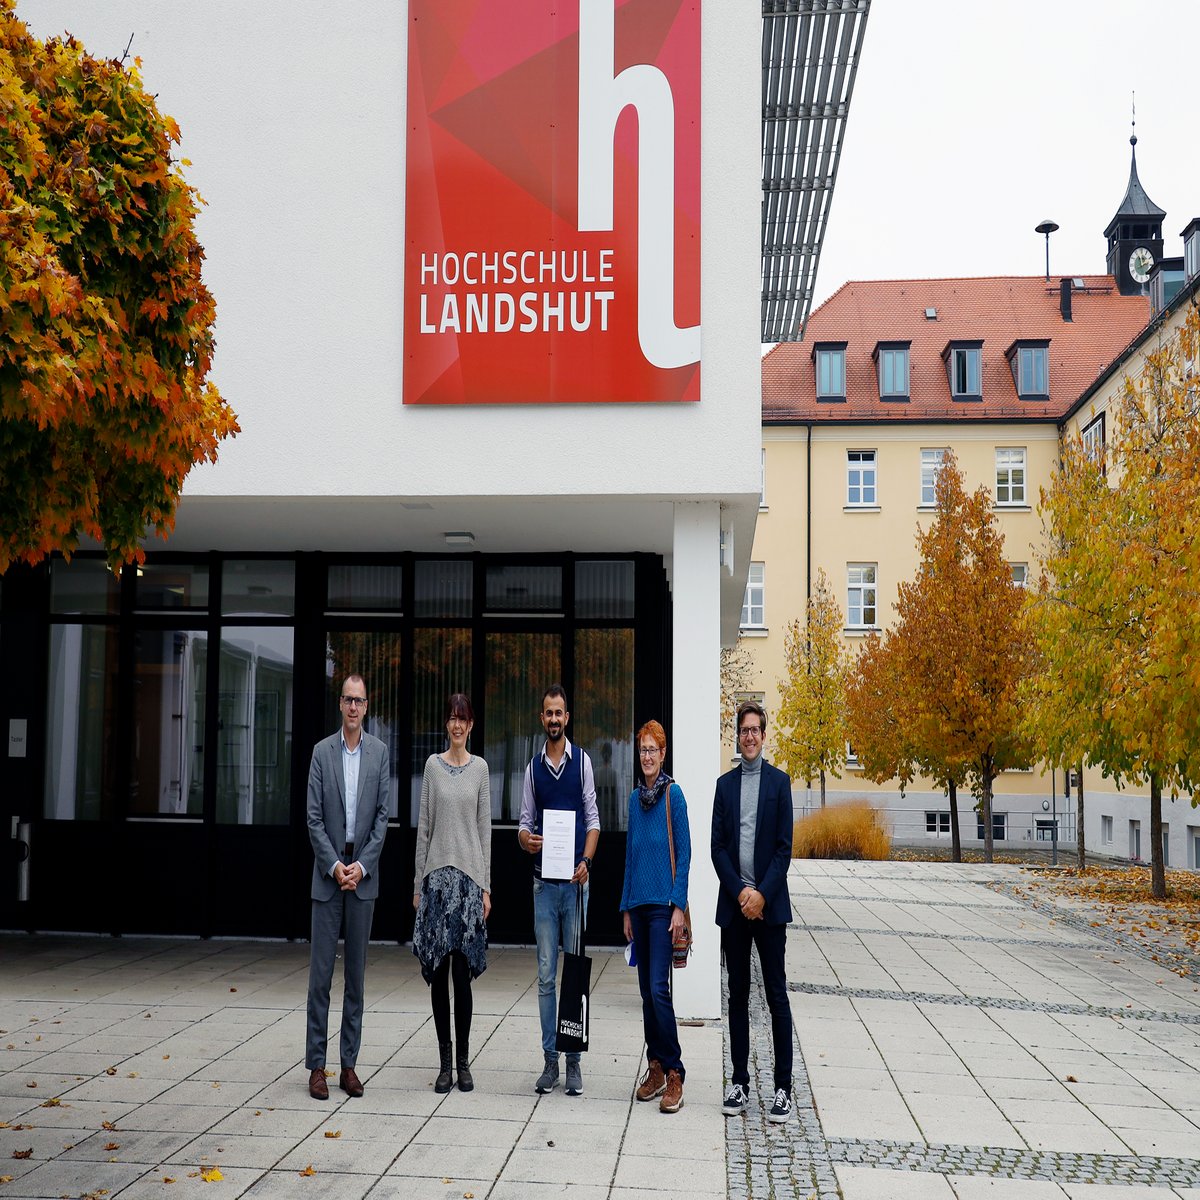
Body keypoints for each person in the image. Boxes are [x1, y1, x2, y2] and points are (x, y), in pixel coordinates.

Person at [305, 674, 390, 1100]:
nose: (353, 707)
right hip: (329, 875)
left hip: (362, 876)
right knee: (321, 976)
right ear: (340, 705)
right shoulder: (322, 753)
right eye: (347, 700)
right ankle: (317, 1067)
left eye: (360, 700)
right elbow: (314, 819)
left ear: (366, 706)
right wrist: (336, 865)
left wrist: (360, 866)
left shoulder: (380, 753)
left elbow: (381, 819)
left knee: (355, 978)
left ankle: (348, 1066)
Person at [711, 699, 795, 1124]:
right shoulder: (725, 786)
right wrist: (741, 892)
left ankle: (783, 1088)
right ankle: (739, 1080)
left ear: (764, 734)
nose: (748, 736)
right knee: (738, 996)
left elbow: (784, 850)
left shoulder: (780, 784)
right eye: (743, 729)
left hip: (770, 908)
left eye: (755, 729)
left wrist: (761, 894)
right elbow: (718, 848)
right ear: (737, 735)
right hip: (735, 907)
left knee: (777, 995)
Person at [517, 684, 600, 1096]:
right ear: (542, 717)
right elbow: (523, 823)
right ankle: (550, 1061)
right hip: (543, 888)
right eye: (548, 713)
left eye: (559, 713)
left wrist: (586, 861)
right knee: (547, 976)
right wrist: (525, 839)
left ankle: (574, 1063)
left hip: (575, 886)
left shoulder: (582, 762)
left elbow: (594, 820)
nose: (554, 719)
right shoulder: (532, 769)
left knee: (575, 976)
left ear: (567, 718)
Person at [412, 694, 492, 1094]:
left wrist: (486, 887)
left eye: (463, 718)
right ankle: (443, 1062)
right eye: (452, 719)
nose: (457, 725)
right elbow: (423, 827)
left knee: (462, 976)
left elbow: (484, 832)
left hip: (468, 884)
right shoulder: (431, 767)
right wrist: (417, 887)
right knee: (438, 976)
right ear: (447, 725)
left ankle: (463, 1061)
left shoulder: (480, 769)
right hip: (436, 883)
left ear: (471, 725)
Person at [620, 720, 689, 1114]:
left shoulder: (672, 796)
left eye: (653, 750)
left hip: (664, 908)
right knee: (646, 990)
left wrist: (678, 904)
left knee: (659, 989)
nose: (647, 756)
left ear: (663, 754)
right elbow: (630, 857)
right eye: (642, 750)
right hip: (640, 907)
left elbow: (686, 851)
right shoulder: (634, 800)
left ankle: (676, 1070)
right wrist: (626, 907)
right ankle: (656, 1066)